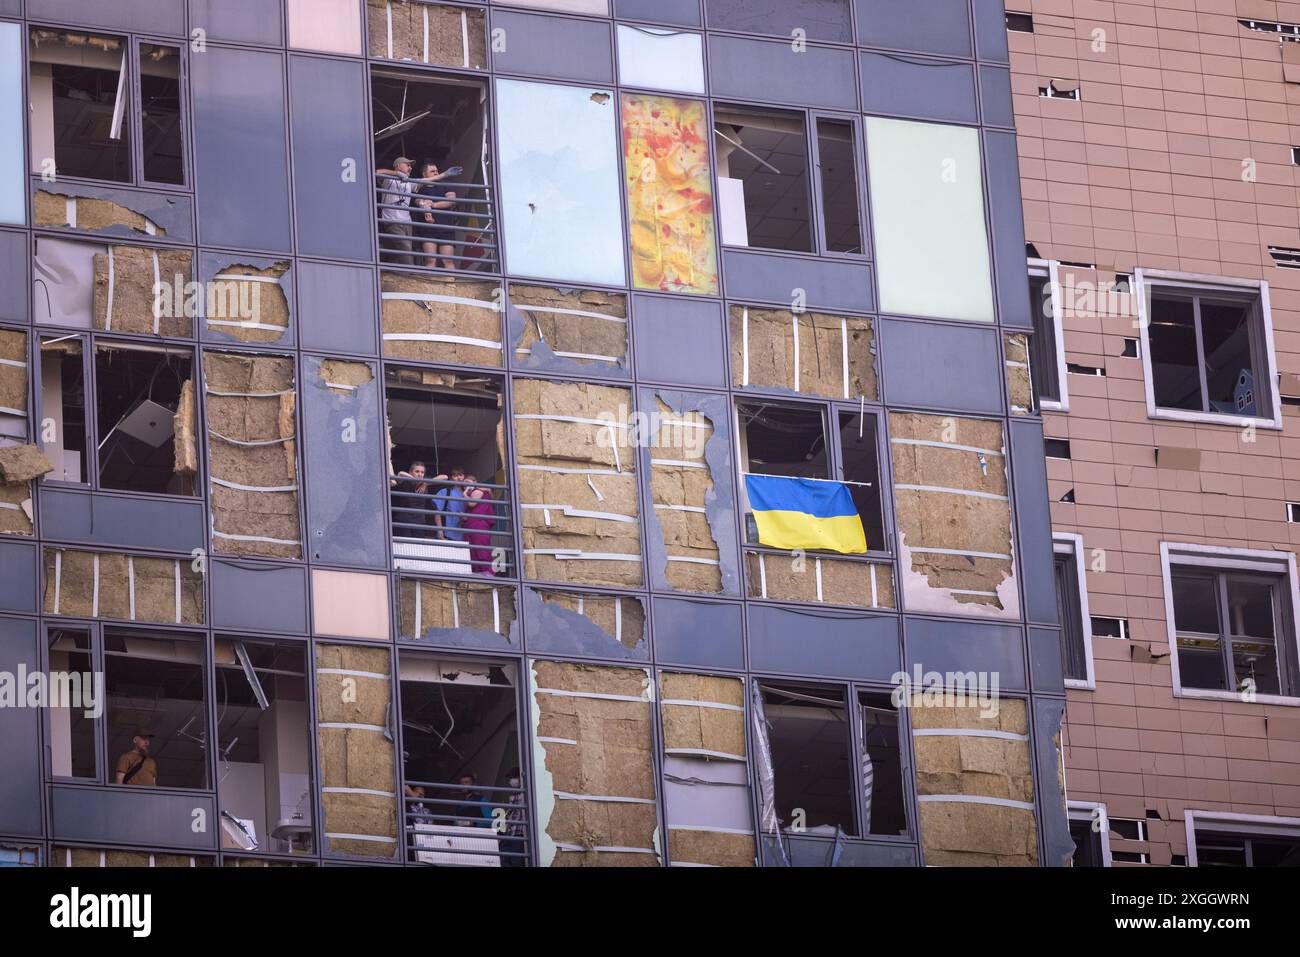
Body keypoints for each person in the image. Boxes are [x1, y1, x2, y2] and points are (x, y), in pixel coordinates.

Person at [414, 159, 462, 270]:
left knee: (448, 261)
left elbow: (451, 201)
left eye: (436, 171)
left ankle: (451, 286)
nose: (436, 173)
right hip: (428, 229)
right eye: (432, 171)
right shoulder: (419, 188)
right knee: (430, 260)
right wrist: (424, 203)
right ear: (424, 174)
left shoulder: (446, 185)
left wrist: (433, 205)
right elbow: (417, 201)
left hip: (445, 227)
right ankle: (429, 286)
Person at [376, 156, 416, 265]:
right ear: (398, 166)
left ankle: (398, 273)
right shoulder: (388, 179)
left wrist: (444, 174)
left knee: (402, 250)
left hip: (407, 221)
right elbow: (378, 172)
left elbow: (429, 180)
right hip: (392, 220)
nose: (410, 168)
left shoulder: (409, 182)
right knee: (405, 247)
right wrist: (397, 174)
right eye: (408, 165)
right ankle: (410, 274)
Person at [461, 476, 498, 576]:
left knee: (481, 549)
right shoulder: (472, 494)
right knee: (473, 551)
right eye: (464, 483)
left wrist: (464, 494)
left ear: (474, 482)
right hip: (472, 526)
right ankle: (478, 573)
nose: (465, 484)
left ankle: (488, 573)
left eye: (468, 481)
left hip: (479, 526)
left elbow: (472, 504)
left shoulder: (477, 491)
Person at [391, 460, 434, 539]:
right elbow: (400, 473)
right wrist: (413, 479)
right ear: (410, 472)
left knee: (417, 548)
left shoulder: (424, 484)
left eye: (422, 472)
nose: (419, 474)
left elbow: (445, 477)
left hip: (419, 522)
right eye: (417, 471)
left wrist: (426, 483)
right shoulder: (404, 481)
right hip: (403, 522)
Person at [433, 467, 467, 542]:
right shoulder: (445, 492)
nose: (458, 478)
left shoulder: (469, 494)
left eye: (460, 475)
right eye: (455, 476)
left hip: (465, 535)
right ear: (451, 478)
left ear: (464, 477)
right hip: (447, 534)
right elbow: (437, 512)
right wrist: (440, 530)